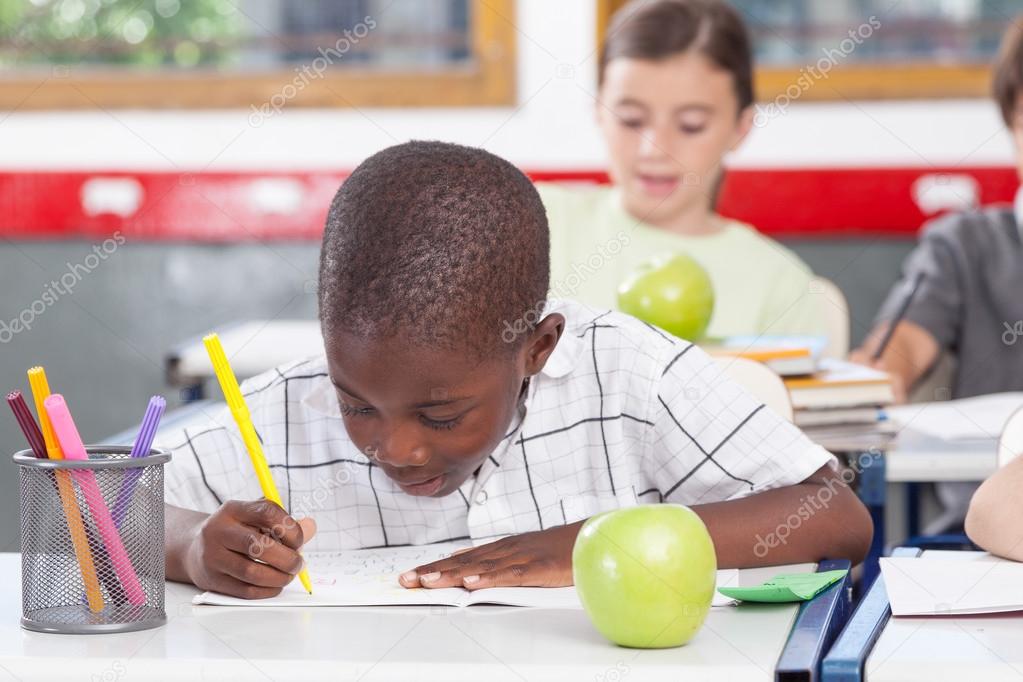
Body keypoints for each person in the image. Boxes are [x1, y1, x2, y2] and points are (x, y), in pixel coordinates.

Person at [162, 141, 870, 600]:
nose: (396, 448)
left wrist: (584, 546)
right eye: (358, 404)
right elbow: (83, 519)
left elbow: (833, 514)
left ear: (538, 347)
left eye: (441, 415)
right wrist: (192, 546)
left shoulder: (628, 374)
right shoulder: (290, 408)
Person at [539, 0, 825, 339]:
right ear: (599, 113)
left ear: (741, 127)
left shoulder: (784, 288)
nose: (653, 149)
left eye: (691, 125)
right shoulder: (537, 222)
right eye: (631, 119)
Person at [852, 17, 1023, 534]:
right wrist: (883, 372)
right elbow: (901, 345)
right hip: (976, 540)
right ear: (1012, 120)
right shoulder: (965, 245)